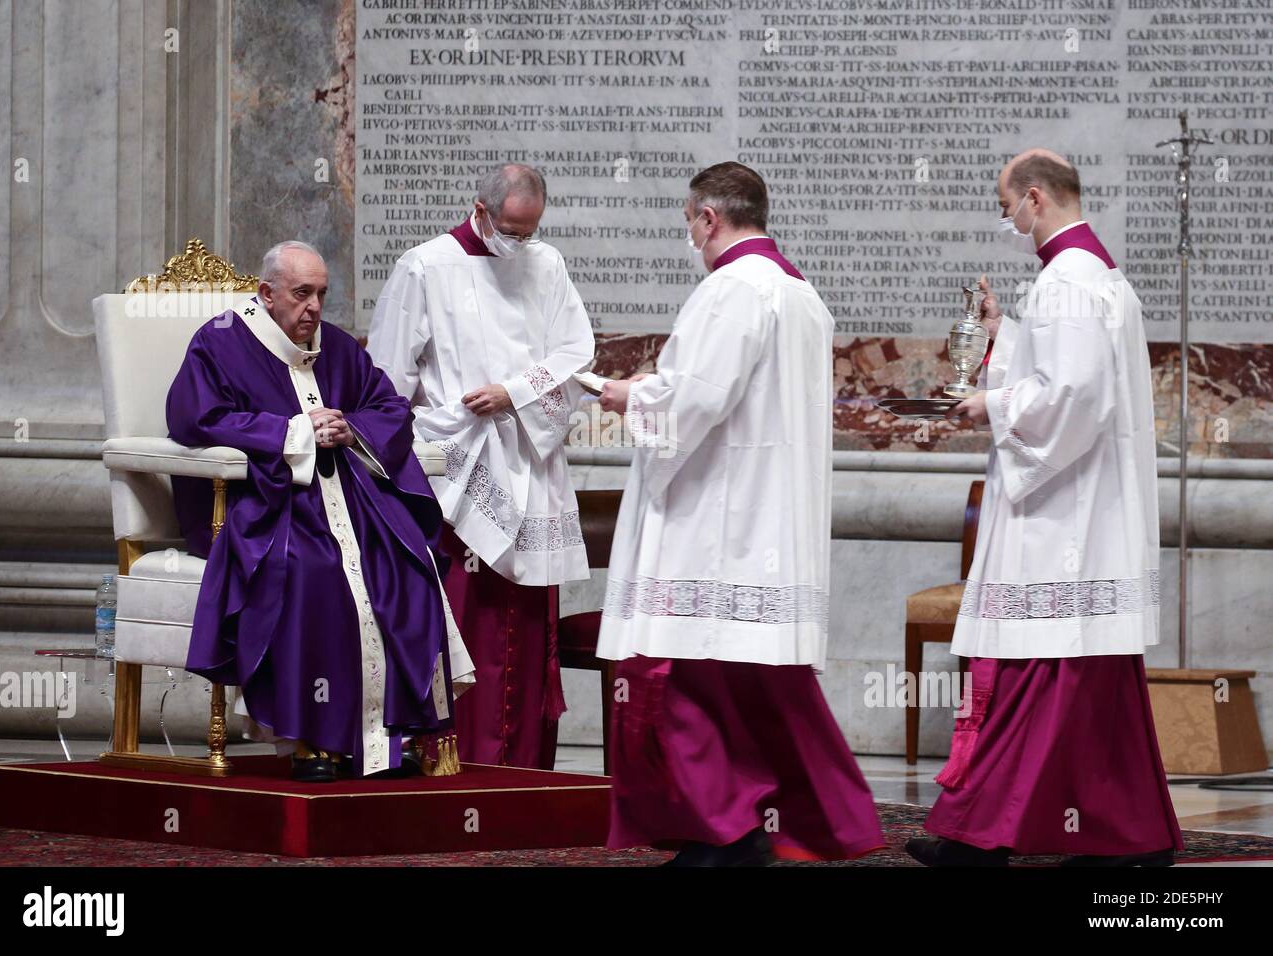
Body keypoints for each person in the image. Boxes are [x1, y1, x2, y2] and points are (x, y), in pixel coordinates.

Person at [595, 162, 885, 866]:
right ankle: (769, 827)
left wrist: (628, 396)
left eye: (688, 223)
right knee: (752, 687)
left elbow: (693, 404)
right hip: (770, 522)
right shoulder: (801, 296)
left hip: (716, 524)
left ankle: (723, 834)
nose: (689, 237)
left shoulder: (730, 291)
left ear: (709, 220)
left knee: (685, 682)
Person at [907, 150, 1183, 866]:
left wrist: (986, 403)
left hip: (1065, 520)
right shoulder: (1099, 278)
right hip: (1089, 514)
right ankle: (1130, 836)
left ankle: (978, 838)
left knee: (1043, 676)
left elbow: (1070, 401)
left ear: (1035, 198)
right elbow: (1062, 375)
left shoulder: (1066, 283)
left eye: (1006, 208)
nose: (1008, 223)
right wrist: (1004, 341)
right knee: (1093, 688)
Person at [168, 240, 472, 783]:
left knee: (407, 562)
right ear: (266, 293)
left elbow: (387, 406)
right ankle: (313, 739)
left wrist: (349, 428)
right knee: (316, 572)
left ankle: (386, 734)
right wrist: (291, 432)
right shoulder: (219, 344)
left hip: (349, 502)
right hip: (268, 501)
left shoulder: (334, 347)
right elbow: (195, 418)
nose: (313, 308)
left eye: (321, 294)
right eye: (301, 294)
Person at [367, 164, 595, 769]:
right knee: (465, 618)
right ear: (481, 210)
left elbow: (577, 353)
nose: (520, 243)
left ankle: (522, 764)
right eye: (511, 230)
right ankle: (448, 759)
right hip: (454, 467)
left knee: (520, 623)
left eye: (530, 230)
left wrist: (514, 392)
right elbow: (388, 377)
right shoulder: (425, 266)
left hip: (528, 451)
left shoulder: (547, 265)